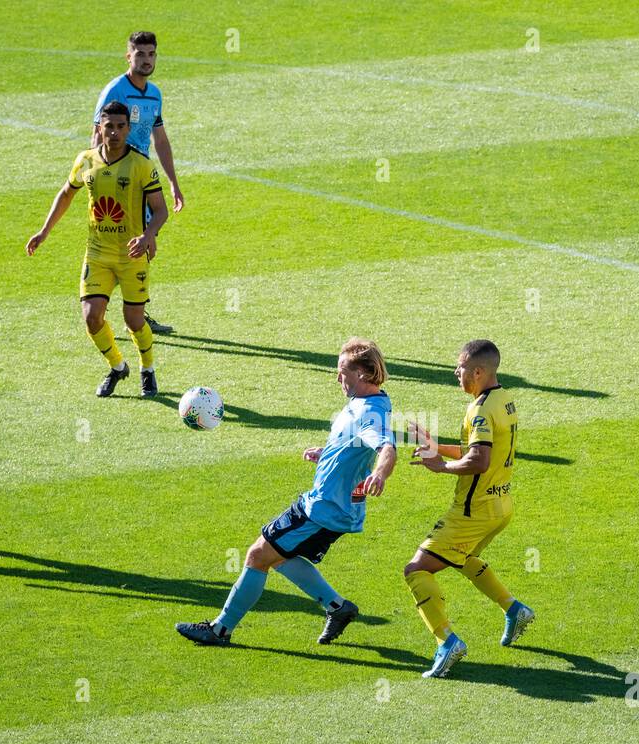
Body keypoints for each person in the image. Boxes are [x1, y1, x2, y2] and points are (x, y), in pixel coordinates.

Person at [176, 338, 398, 645]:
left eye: (342, 372)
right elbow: (355, 444)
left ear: (362, 373)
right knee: (279, 556)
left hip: (323, 508)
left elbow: (387, 447)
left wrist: (380, 474)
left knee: (257, 555)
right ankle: (337, 607)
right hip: (332, 505)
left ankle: (220, 630)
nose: (338, 379)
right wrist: (329, 452)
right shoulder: (364, 402)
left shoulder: (370, 412)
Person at [404, 340, 534, 677]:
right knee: (463, 559)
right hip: (501, 504)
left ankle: (446, 642)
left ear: (477, 371)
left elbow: (479, 459)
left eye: (460, 367)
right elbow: (473, 448)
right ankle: (514, 608)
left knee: (417, 569)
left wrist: (440, 467)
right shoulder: (503, 400)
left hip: (473, 511)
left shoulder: (479, 410)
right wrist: (437, 447)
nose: (455, 373)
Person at [27, 101, 168, 398]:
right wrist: (44, 231)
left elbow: (160, 210)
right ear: (100, 128)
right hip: (98, 254)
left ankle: (147, 369)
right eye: (109, 127)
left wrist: (147, 236)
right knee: (92, 318)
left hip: (131, 255)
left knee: (134, 320)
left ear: (128, 129)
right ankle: (118, 366)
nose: (114, 133)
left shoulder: (142, 165)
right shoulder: (86, 161)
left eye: (120, 127)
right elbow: (66, 194)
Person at [92, 30, 184, 335]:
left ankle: (135, 310)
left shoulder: (154, 93)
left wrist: (172, 181)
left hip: (143, 178)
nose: (147, 60)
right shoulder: (114, 91)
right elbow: (96, 136)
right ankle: (109, 309)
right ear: (128, 56)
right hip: (117, 179)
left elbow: (160, 139)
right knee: (130, 242)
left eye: (151, 54)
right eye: (140, 54)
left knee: (144, 244)